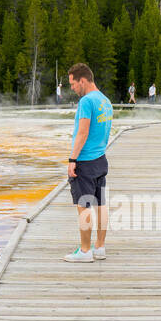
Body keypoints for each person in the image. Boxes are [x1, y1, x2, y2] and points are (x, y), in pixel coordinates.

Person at [64, 63, 112, 262]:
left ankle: (85, 251)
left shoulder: (86, 101)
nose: (72, 88)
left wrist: (72, 159)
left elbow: (82, 132)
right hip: (101, 159)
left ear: (82, 80)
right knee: (101, 205)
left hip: (85, 161)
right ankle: (99, 247)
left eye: (73, 83)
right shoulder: (105, 101)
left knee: (84, 207)